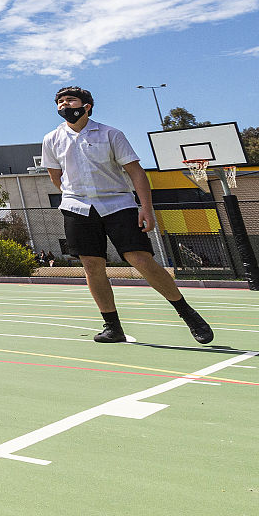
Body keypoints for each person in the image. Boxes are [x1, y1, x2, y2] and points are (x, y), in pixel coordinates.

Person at [42, 85, 213, 345]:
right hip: (77, 208)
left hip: (118, 204)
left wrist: (145, 207)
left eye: (70, 100)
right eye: (60, 102)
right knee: (92, 266)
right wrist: (73, 195)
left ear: (86, 106)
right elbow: (56, 177)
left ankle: (188, 314)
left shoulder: (111, 134)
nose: (64, 105)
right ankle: (113, 326)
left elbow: (136, 173)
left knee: (141, 259)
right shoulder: (51, 139)